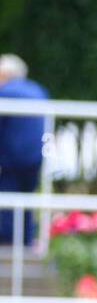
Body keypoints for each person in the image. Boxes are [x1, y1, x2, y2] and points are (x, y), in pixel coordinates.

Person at [0, 54, 48, 245]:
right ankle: (27, 241)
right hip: (35, 158)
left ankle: (6, 245)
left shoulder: (5, 93)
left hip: (11, 159)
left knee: (6, 202)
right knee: (27, 203)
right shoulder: (39, 91)